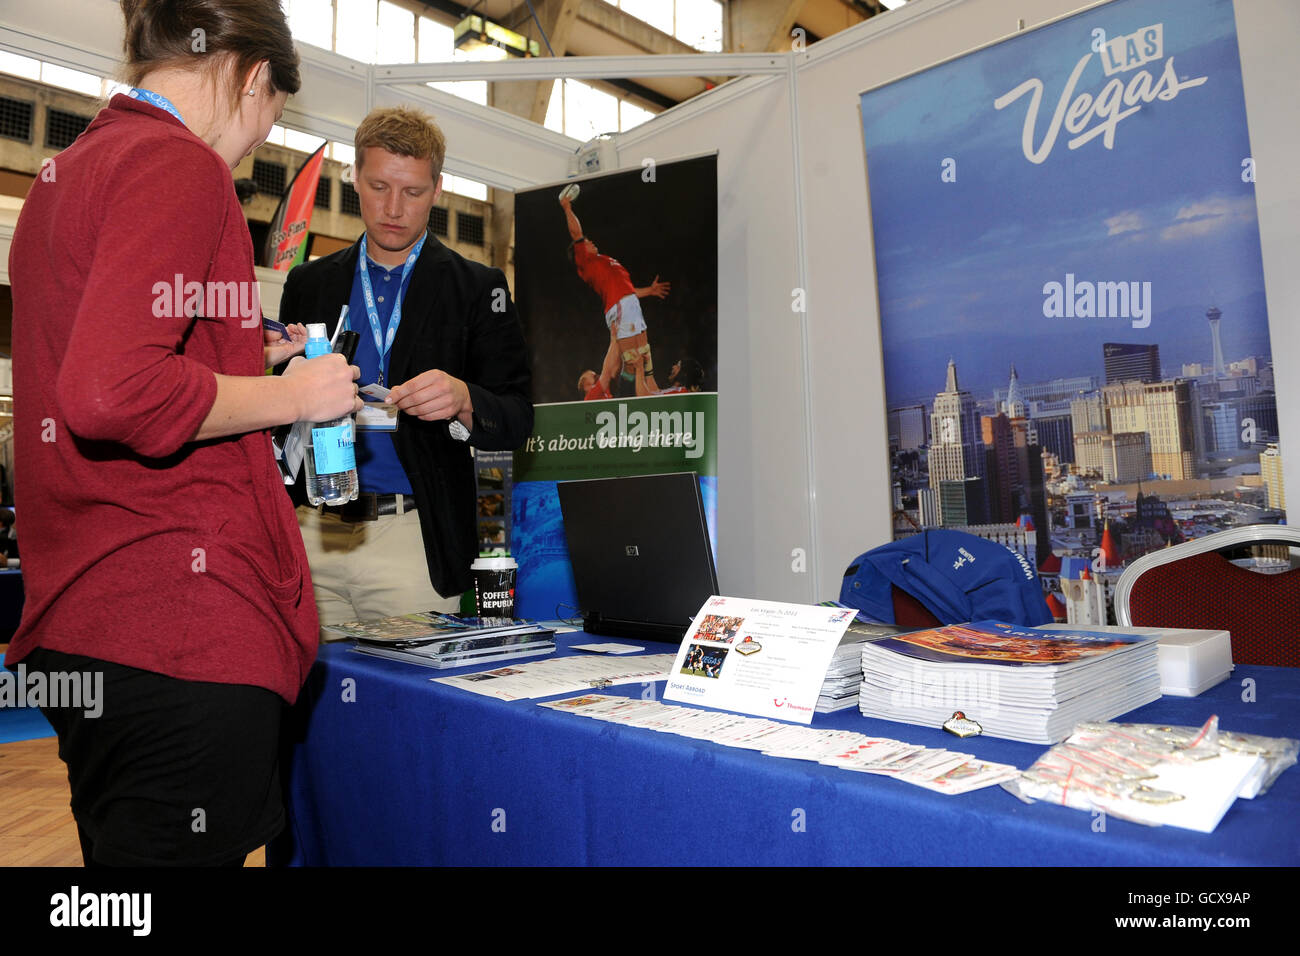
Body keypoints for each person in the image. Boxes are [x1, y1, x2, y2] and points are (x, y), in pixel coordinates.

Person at [3, 0, 361, 867]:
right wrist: (297, 397)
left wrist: (237, 346)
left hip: (84, 624)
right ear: (248, 75)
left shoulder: (68, 177)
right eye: (270, 118)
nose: (254, 144)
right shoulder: (179, 168)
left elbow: (107, 357)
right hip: (179, 631)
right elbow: (111, 390)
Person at [279, 107, 532, 634]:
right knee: (313, 711)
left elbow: (516, 419)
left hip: (411, 540)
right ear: (353, 177)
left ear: (437, 189)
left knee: (407, 709)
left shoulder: (478, 288)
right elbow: (280, 414)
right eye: (377, 186)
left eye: (413, 192)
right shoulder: (308, 283)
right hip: (309, 532)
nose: (393, 208)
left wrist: (464, 397)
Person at [559, 189, 670, 393]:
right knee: (632, 362)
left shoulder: (608, 263)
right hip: (619, 308)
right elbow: (576, 233)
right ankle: (629, 400)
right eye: (585, 243)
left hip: (629, 305)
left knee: (644, 358)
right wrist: (567, 208)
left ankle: (656, 396)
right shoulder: (585, 261)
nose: (589, 242)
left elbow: (628, 291)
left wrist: (651, 291)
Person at [577, 317, 622, 401]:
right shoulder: (590, 397)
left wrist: (618, 342)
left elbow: (615, 367)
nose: (598, 376)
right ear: (586, 386)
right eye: (594, 377)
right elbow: (607, 372)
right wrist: (613, 339)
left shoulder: (604, 390)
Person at [630, 351, 705, 396]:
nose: (673, 367)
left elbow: (645, 398)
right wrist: (648, 363)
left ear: (684, 374)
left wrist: (639, 368)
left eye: (678, 366)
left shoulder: (679, 392)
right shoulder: (681, 391)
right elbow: (655, 392)